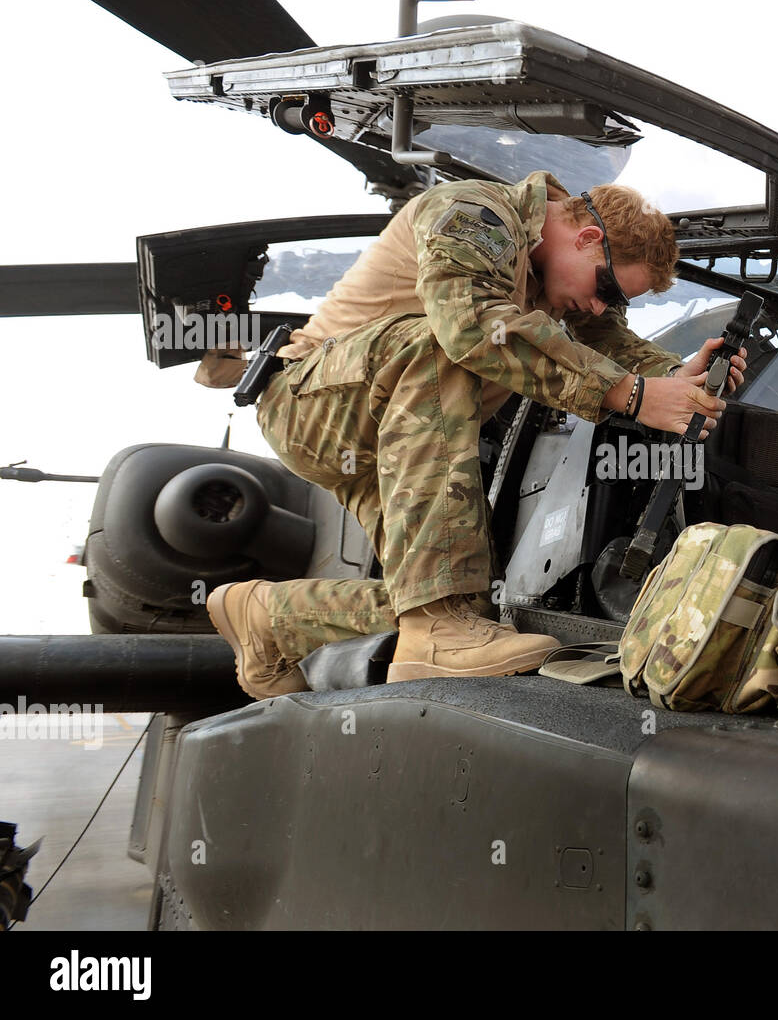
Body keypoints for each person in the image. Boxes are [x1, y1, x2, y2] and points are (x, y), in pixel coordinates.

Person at [206, 171, 748, 698]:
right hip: (311, 405)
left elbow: (606, 340)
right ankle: (433, 635)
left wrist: (675, 379)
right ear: (586, 237)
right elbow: (468, 325)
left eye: (617, 299)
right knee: (441, 343)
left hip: (389, 438)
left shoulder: (557, 277)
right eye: (606, 287)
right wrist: (632, 395)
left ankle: (266, 620)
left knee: (466, 599)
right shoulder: (477, 212)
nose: (600, 305)